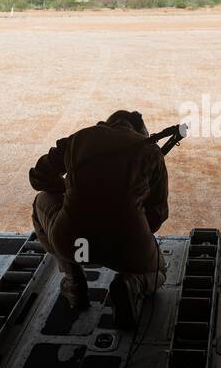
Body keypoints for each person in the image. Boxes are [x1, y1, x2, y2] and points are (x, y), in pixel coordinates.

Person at [29, 110, 169, 328]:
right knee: (159, 271)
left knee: (40, 201)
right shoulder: (150, 150)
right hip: (126, 251)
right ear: (139, 130)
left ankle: (75, 284)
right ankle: (130, 283)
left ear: (105, 124)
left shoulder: (79, 138)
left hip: (74, 245)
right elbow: (156, 218)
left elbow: (38, 178)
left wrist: (69, 190)